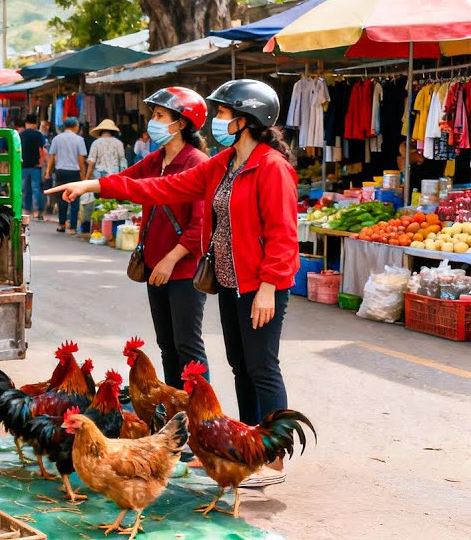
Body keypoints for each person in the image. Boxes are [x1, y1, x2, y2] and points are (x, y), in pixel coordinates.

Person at [49, 79, 298, 487]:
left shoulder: (271, 166)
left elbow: (283, 232)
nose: (217, 121)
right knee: (240, 367)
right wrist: (96, 184)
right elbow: (162, 187)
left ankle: (271, 459)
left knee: (262, 367)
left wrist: (270, 286)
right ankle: (245, 449)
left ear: (246, 119)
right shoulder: (224, 163)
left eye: (222, 113)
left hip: (261, 285)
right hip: (230, 281)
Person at [119, 88, 211, 393]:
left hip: (182, 270)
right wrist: (86, 185)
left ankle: (201, 416)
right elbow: (124, 182)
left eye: (160, 116)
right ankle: (176, 409)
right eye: (153, 115)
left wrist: (171, 259)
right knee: (167, 345)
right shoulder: (155, 160)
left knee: (188, 345)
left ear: (181, 123)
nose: (152, 122)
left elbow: (200, 224)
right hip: (153, 267)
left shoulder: (195, 162)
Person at [45, 117, 87, 234]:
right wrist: (83, 175)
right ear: (75, 126)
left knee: (61, 199)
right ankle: (73, 227)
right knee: (74, 199)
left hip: (61, 172)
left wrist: (48, 171)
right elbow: (81, 159)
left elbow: (52, 156)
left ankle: (61, 224)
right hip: (74, 173)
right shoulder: (79, 140)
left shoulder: (57, 139)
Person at [18, 115, 47, 220]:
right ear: (35, 123)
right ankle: (37, 212)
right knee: (36, 189)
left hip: (23, 165)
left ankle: (25, 210)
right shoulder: (39, 135)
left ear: (26, 123)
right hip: (35, 166)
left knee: (24, 189)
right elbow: (41, 149)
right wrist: (41, 162)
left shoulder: (21, 135)